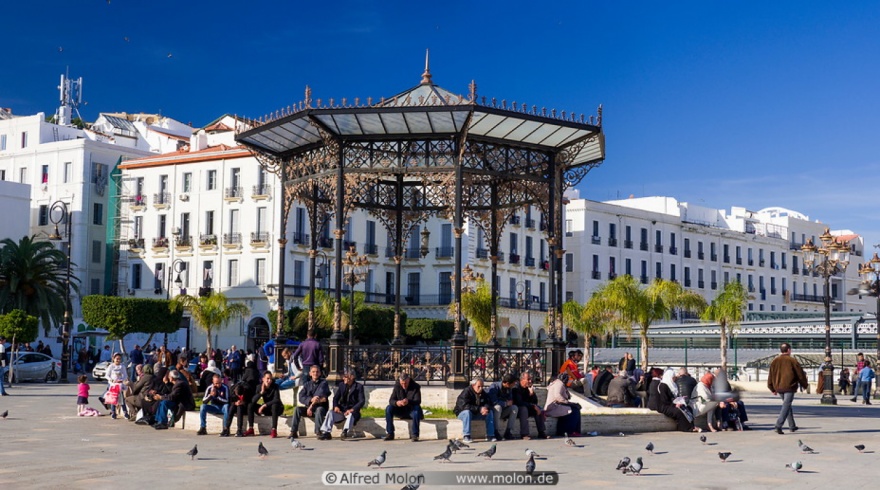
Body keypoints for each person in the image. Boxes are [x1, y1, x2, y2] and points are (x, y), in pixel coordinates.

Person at [767, 342, 809, 434]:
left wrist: (771, 388)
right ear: (789, 350)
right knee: (786, 405)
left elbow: (771, 375)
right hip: (789, 386)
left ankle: (792, 426)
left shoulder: (775, 361)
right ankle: (778, 425)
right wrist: (805, 385)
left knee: (787, 405)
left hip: (778, 386)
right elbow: (800, 374)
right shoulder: (792, 361)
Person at [319, 369, 364, 440]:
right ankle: (326, 432)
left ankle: (345, 432)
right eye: (343, 376)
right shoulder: (342, 385)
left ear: (352, 377)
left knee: (351, 415)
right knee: (330, 413)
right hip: (342, 410)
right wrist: (336, 406)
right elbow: (335, 398)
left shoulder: (359, 387)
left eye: (345, 376)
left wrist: (352, 410)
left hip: (352, 411)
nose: (343, 378)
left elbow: (361, 401)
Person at [290, 365, 330, 439]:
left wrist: (311, 407)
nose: (315, 373)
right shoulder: (307, 384)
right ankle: (293, 431)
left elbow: (318, 396)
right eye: (313, 372)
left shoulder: (324, 383)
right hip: (309, 409)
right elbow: (301, 396)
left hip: (320, 408)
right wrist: (310, 400)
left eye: (317, 372)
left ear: (320, 373)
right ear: (310, 373)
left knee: (319, 409)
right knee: (297, 409)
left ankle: (318, 432)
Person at [454, 377, 496, 443]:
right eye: (478, 386)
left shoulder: (483, 393)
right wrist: (479, 409)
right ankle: (466, 435)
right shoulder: (466, 392)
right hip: (463, 413)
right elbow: (464, 406)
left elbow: (488, 402)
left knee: (489, 412)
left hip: (476, 413)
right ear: (473, 385)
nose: (481, 388)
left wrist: (485, 408)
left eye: (482, 386)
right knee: (467, 412)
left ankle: (490, 435)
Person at [655, 368, 698, 432]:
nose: (674, 379)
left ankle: (692, 426)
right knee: (678, 411)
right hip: (664, 406)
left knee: (687, 408)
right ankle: (686, 428)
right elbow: (664, 400)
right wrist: (675, 404)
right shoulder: (663, 386)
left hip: (670, 404)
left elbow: (672, 397)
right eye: (673, 377)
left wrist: (680, 400)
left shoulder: (671, 385)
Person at [383, 373, 422, 442]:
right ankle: (390, 433)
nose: (404, 385)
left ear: (408, 380)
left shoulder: (415, 387)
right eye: (402, 383)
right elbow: (391, 400)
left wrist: (408, 401)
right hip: (400, 410)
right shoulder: (397, 386)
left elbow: (418, 401)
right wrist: (397, 403)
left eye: (405, 383)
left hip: (411, 410)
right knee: (389, 408)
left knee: (417, 410)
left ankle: (415, 435)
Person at [248, 371, 285, 438]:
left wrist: (264, 405)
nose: (269, 381)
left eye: (270, 379)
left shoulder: (275, 386)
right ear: (263, 379)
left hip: (277, 408)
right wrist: (261, 392)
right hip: (267, 409)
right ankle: (251, 428)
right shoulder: (259, 387)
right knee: (250, 405)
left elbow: (277, 400)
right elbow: (253, 401)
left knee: (274, 405)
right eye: (267, 379)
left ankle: (274, 430)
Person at [512, 371, 548, 440]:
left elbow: (535, 402)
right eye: (528, 379)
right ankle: (524, 434)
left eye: (530, 379)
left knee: (539, 409)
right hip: (517, 410)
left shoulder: (528, 388)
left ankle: (541, 432)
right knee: (524, 409)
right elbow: (519, 402)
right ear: (522, 380)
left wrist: (532, 394)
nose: (530, 381)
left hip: (528, 407)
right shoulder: (516, 388)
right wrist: (533, 406)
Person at [486, 373, 519, 440]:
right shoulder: (494, 387)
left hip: (503, 410)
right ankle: (495, 431)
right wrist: (505, 403)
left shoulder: (509, 389)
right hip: (495, 411)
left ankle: (508, 432)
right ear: (507, 383)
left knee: (514, 408)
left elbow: (510, 400)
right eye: (513, 384)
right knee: (498, 407)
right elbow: (494, 401)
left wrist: (507, 403)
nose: (514, 385)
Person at [105, 352, 130, 420]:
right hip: (113, 385)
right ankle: (113, 412)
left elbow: (125, 375)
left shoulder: (122, 366)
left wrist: (122, 380)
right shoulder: (111, 366)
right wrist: (112, 380)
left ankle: (125, 413)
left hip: (120, 385)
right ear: (113, 359)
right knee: (113, 399)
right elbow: (107, 375)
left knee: (121, 399)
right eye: (117, 359)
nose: (118, 360)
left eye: (119, 359)